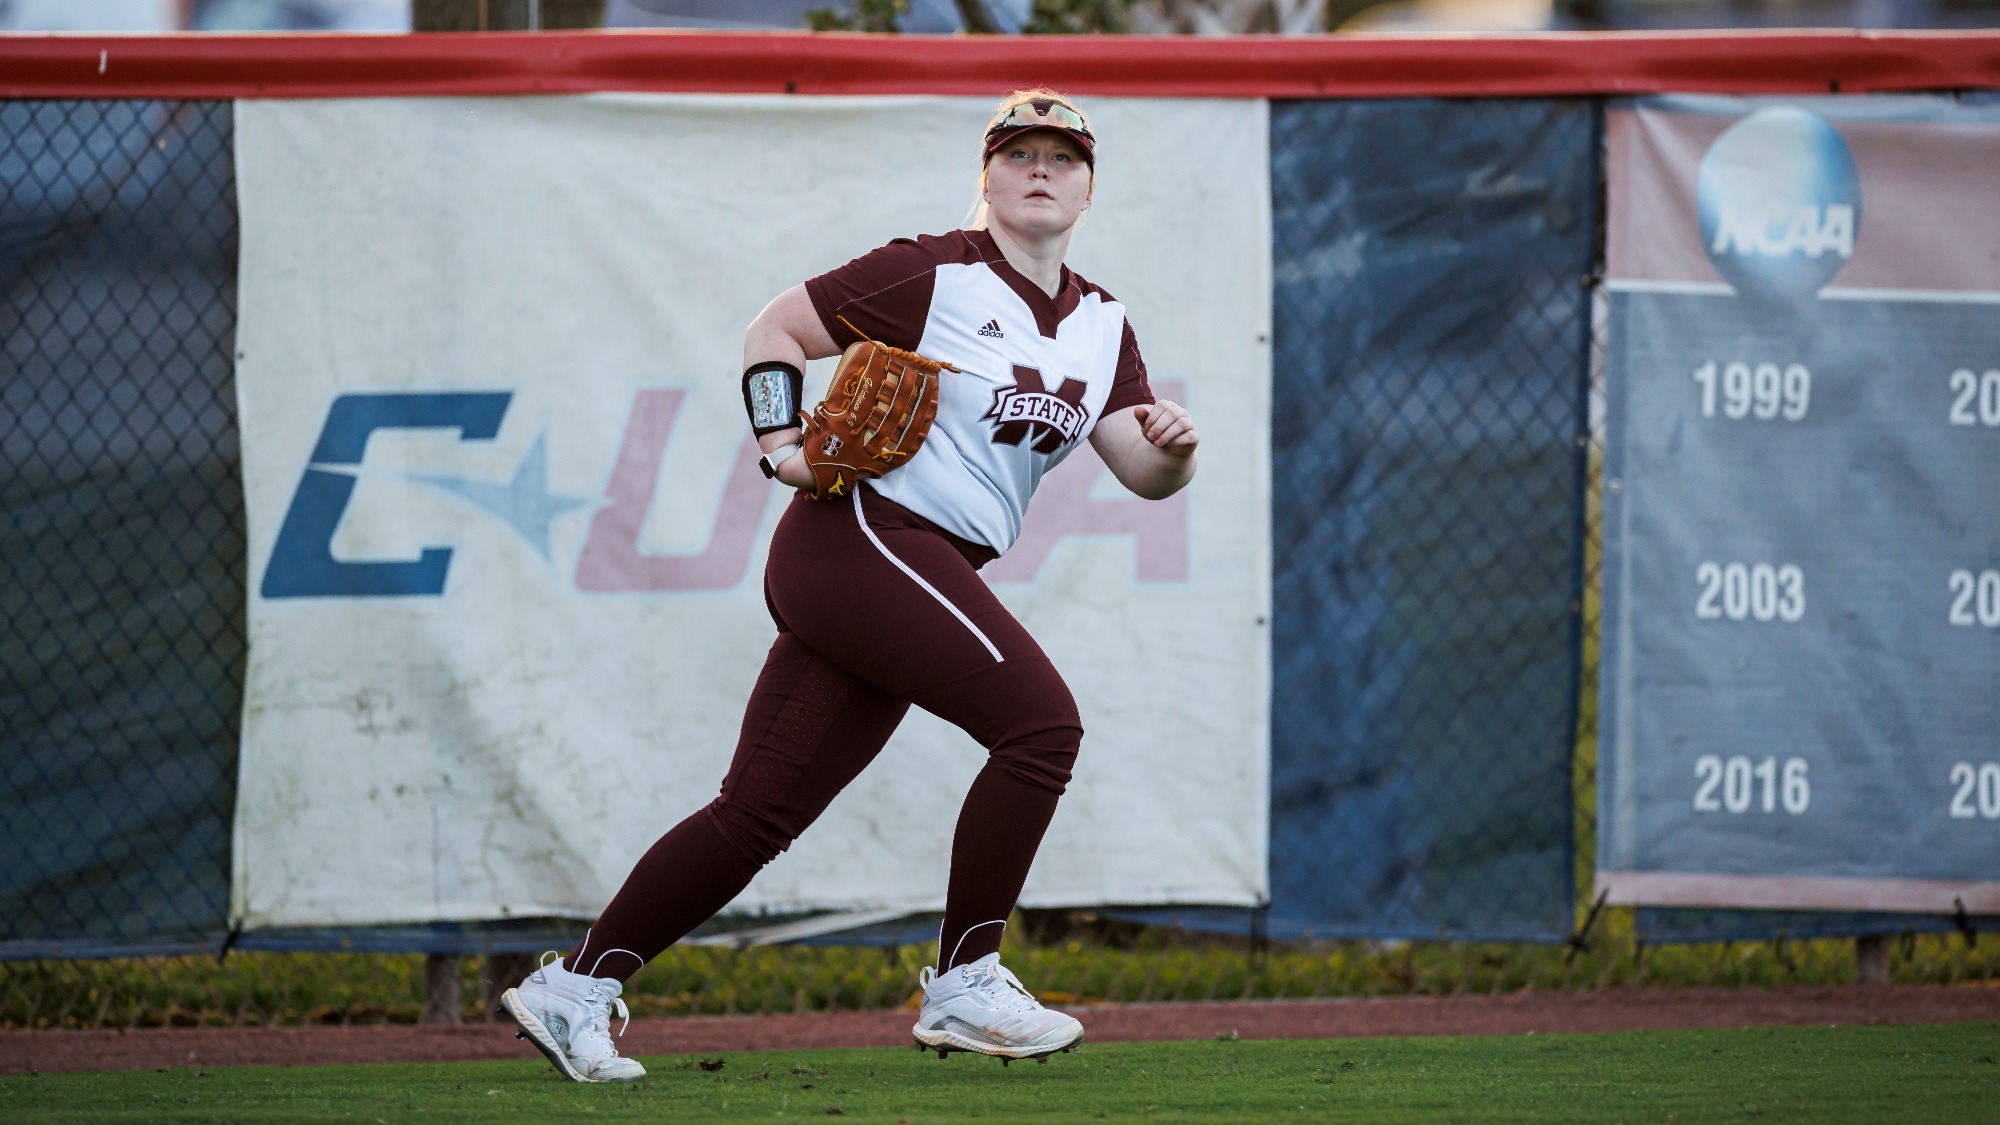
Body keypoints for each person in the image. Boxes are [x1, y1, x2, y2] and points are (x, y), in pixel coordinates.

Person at [502, 89, 1200, 1083]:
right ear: (987, 178)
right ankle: (964, 980)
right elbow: (773, 329)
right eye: (1018, 153)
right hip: (863, 537)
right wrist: (780, 445)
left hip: (911, 568)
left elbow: (1140, 469)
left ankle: (571, 988)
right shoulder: (932, 271)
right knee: (1041, 728)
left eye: (1062, 157)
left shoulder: (1100, 322)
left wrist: (1177, 447)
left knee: (755, 814)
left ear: (1089, 189)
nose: (1039, 170)